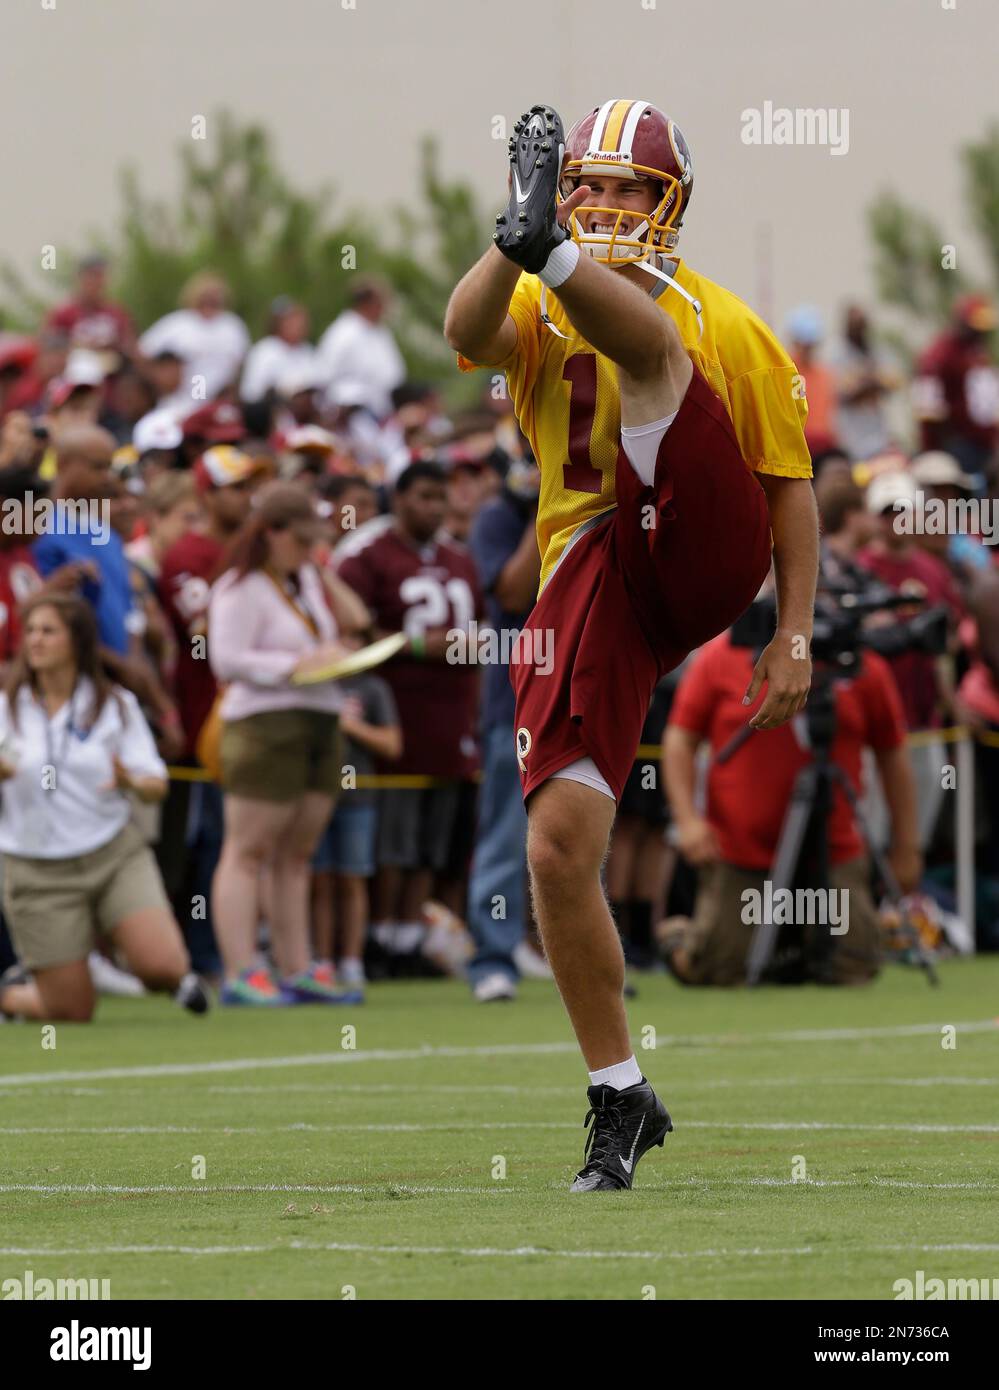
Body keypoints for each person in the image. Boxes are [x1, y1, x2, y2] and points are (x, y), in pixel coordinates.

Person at [445, 100, 817, 1192]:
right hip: (594, 576)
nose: (607, 203)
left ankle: (620, 1091)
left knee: (656, 358)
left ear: (672, 207)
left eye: (626, 191)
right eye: (586, 189)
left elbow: (791, 494)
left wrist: (791, 630)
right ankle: (620, 1093)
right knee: (558, 848)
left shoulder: (729, 323)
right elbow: (467, 335)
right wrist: (512, 234)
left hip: (699, 545)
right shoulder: (525, 286)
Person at [660, 626, 918, 985]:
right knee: (721, 967)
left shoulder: (858, 663)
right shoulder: (721, 655)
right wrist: (687, 821)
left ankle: (794, 944)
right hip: (740, 849)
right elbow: (680, 738)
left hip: (835, 847)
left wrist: (907, 847)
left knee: (851, 964)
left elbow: (892, 753)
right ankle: (678, 935)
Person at [0, 594, 207, 1023]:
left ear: (77, 641)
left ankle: (174, 980)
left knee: (161, 967)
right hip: (36, 866)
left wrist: (132, 781)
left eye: (48, 631)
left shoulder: (114, 705)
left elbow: (156, 785)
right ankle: (10, 998)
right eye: (32, 630)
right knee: (71, 1011)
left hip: (113, 853)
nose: (35, 640)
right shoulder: (7, 706)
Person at [208, 482, 369, 1005]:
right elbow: (226, 659)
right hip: (265, 723)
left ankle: (296, 967)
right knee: (248, 849)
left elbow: (357, 620)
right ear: (272, 533)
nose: (309, 549)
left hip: (317, 720)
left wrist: (318, 571)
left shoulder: (303, 581)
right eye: (301, 541)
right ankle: (241, 969)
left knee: (296, 854)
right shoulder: (241, 586)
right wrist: (293, 666)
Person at [335, 461, 484, 976]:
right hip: (395, 715)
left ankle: (412, 938)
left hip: (453, 716)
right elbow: (348, 631)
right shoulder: (366, 555)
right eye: (423, 497)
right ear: (397, 499)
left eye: (441, 497)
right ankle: (379, 940)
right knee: (390, 841)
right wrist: (417, 644)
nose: (435, 508)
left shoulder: (460, 558)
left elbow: (482, 628)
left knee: (430, 843)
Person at [464, 458, 542, 1002]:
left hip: (581, 695)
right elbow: (513, 594)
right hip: (514, 702)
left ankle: (587, 961)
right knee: (504, 838)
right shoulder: (499, 515)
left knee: (585, 836)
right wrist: (551, 507)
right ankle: (492, 959)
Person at [310, 673, 403, 999]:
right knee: (318, 881)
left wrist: (350, 727)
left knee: (352, 879)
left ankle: (352, 962)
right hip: (313, 795)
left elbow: (392, 744)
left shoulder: (372, 687)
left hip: (357, 799)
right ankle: (320, 963)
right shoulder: (312, 681)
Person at [913, 296, 999, 480]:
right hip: (958, 446)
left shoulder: (975, 351)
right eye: (976, 327)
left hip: (983, 443)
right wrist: (934, 452)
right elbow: (928, 408)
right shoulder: (939, 356)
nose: (981, 333)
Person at [139, 272, 250, 406]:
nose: (210, 300)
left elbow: (241, 365)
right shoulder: (178, 323)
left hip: (221, 403)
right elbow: (142, 352)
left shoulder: (232, 326)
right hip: (181, 403)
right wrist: (160, 382)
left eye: (214, 295)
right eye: (205, 295)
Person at [317, 278, 406, 420]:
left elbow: (395, 374)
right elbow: (324, 376)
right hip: (352, 412)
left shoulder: (381, 332)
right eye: (380, 303)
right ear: (366, 303)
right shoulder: (342, 333)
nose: (384, 308)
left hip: (384, 409)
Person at [827, 305, 900, 462]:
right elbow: (844, 392)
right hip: (850, 436)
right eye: (855, 325)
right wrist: (872, 380)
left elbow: (892, 382)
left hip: (878, 432)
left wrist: (866, 381)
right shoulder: (837, 354)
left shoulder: (875, 350)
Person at [43, 255, 135, 361]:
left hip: (113, 370)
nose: (96, 282)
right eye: (92, 276)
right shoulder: (62, 313)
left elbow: (131, 345)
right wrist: (84, 346)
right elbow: (48, 346)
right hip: (74, 371)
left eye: (100, 276)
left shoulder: (116, 312)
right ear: (80, 278)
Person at [241, 298, 317, 404]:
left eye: (299, 321)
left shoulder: (308, 351)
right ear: (279, 323)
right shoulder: (264, 350)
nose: (297, 326)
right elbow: (252, 393)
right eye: (291, 321)